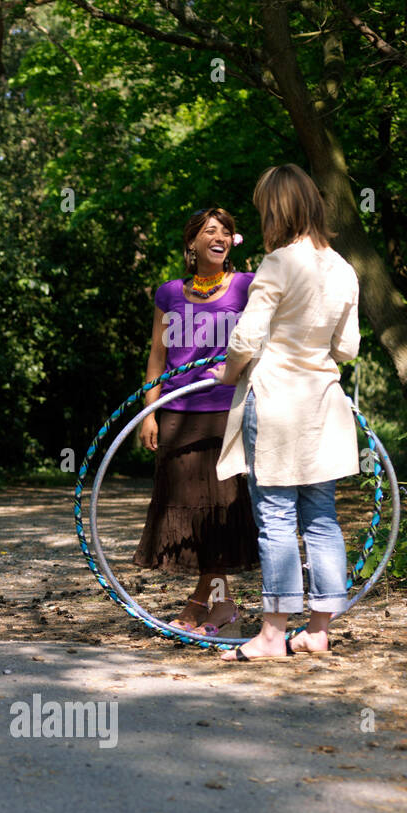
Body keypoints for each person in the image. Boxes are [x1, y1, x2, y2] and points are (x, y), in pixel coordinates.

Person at [211, 165, 361, 661]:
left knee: (275, 516)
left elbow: (247, 338)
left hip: (274, 402)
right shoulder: (344, 268)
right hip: (322, 406)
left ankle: (273, 636)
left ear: (277, 210)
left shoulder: (277, 264)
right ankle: (318, 630)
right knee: (321, 517)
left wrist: (229, 374)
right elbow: (346, 348)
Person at [133, 208, 260, 634]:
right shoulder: (168, 293)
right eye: (210, 231)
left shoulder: (246, 285)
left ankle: (205, 606)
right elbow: (157, 356)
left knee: (220, 511)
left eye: (226, 231)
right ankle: (218, 607)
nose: (219, 236)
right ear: (192, 243)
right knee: (189, 513)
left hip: (228, 413)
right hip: (178, 415)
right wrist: (149, 411)